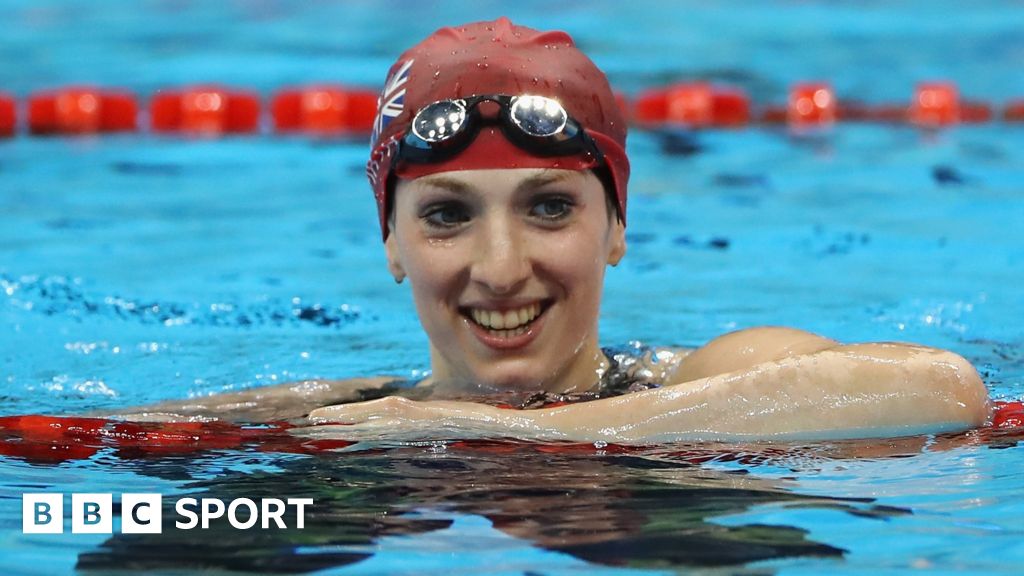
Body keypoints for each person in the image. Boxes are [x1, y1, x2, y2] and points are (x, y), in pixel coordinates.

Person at [117, 18, 989, 442]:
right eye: (448, 215)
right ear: (391, 243)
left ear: (617, 226)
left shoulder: (705, 378)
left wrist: (514, 432)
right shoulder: (341, 418)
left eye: (549, 207)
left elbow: (945, 392)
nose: (501, 269)